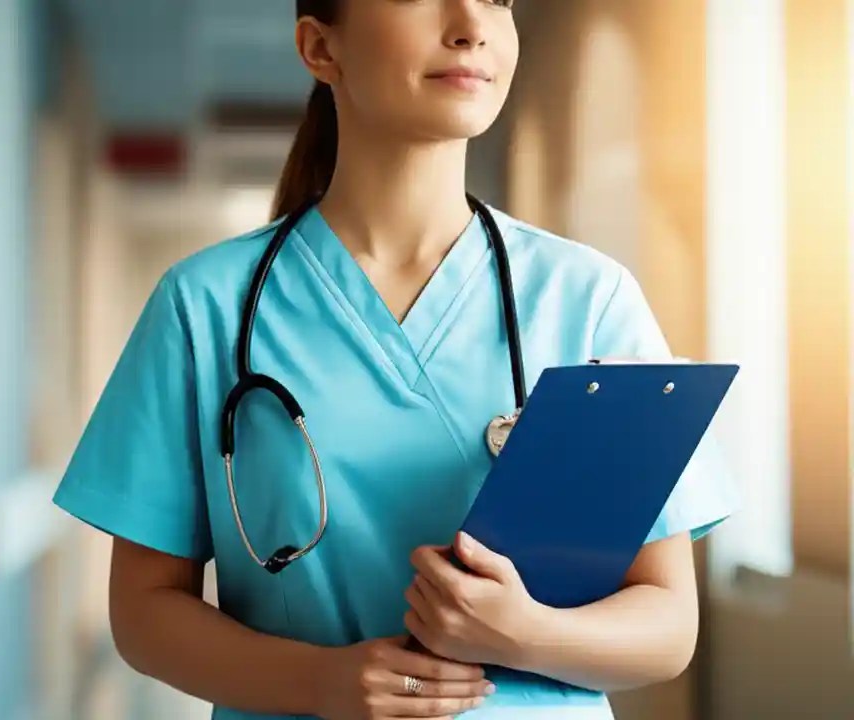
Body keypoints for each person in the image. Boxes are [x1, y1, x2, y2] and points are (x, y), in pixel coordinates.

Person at [52, 1, 736, 718]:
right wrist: (317, 683)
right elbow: (144, 613)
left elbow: (668, 624)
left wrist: (528, 633)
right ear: (320, 48)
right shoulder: (206, 305)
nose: (472, 22)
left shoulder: (588, 299)